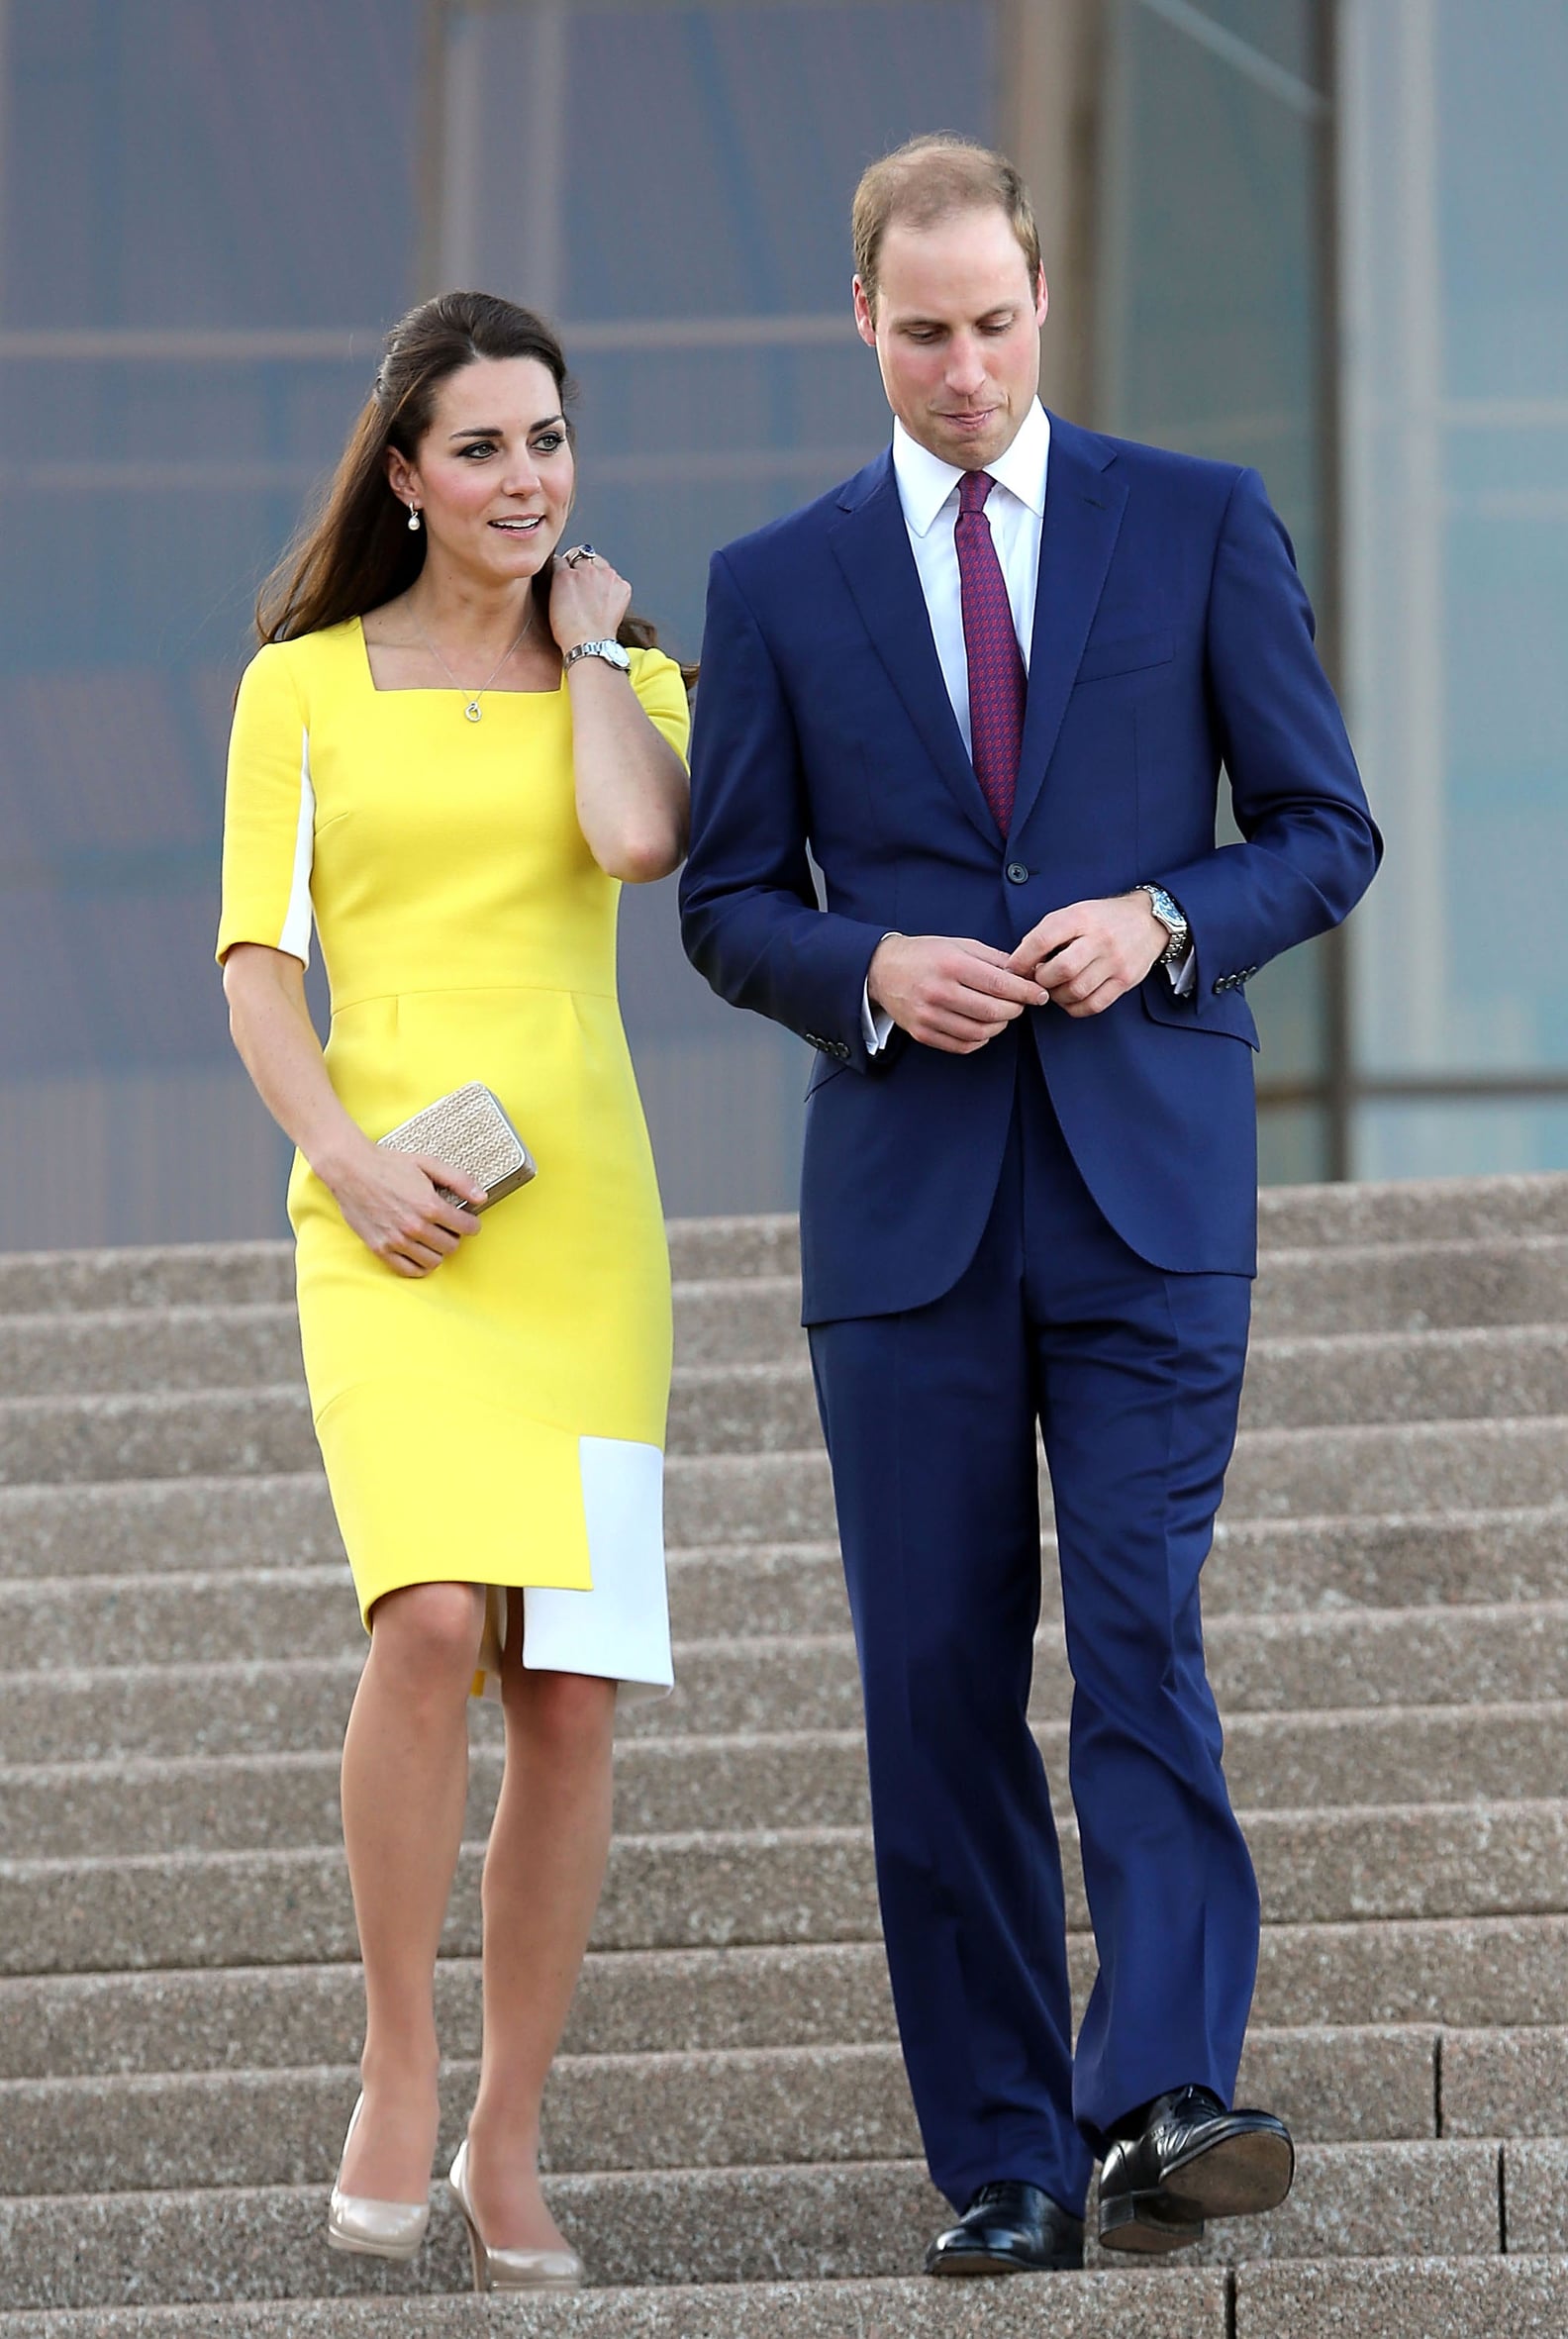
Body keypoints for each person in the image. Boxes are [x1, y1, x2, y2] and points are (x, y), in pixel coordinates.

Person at [680, 138, 1381, 2275]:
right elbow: (724, 901)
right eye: (923, 332)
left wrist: (1167, 916)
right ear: (862, 326)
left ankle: (1159, 2089)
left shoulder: (1196, 522)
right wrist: (866, 969)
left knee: (1143, 1635)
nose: (963, 367)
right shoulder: (776, 584)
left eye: (993, 324)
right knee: (935, 1673)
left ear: (1044, 302)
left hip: (1148, 1189)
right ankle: (1001, 2150)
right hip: (907, 1216)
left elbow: (1322, 831)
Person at [218, 290, 690, 2292]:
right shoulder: (300, 686)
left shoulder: (633, 678)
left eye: (550, 441)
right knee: (427, 1619)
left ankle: (509, 2143)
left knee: (568, 1696)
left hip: (579, 1223)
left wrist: (592, 650)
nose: (524, 478)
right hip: (387, 1212)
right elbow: (260, 963)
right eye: (483, 446)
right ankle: (397, 2068)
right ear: (404, 471)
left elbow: (632, 842)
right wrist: (344, 1154)